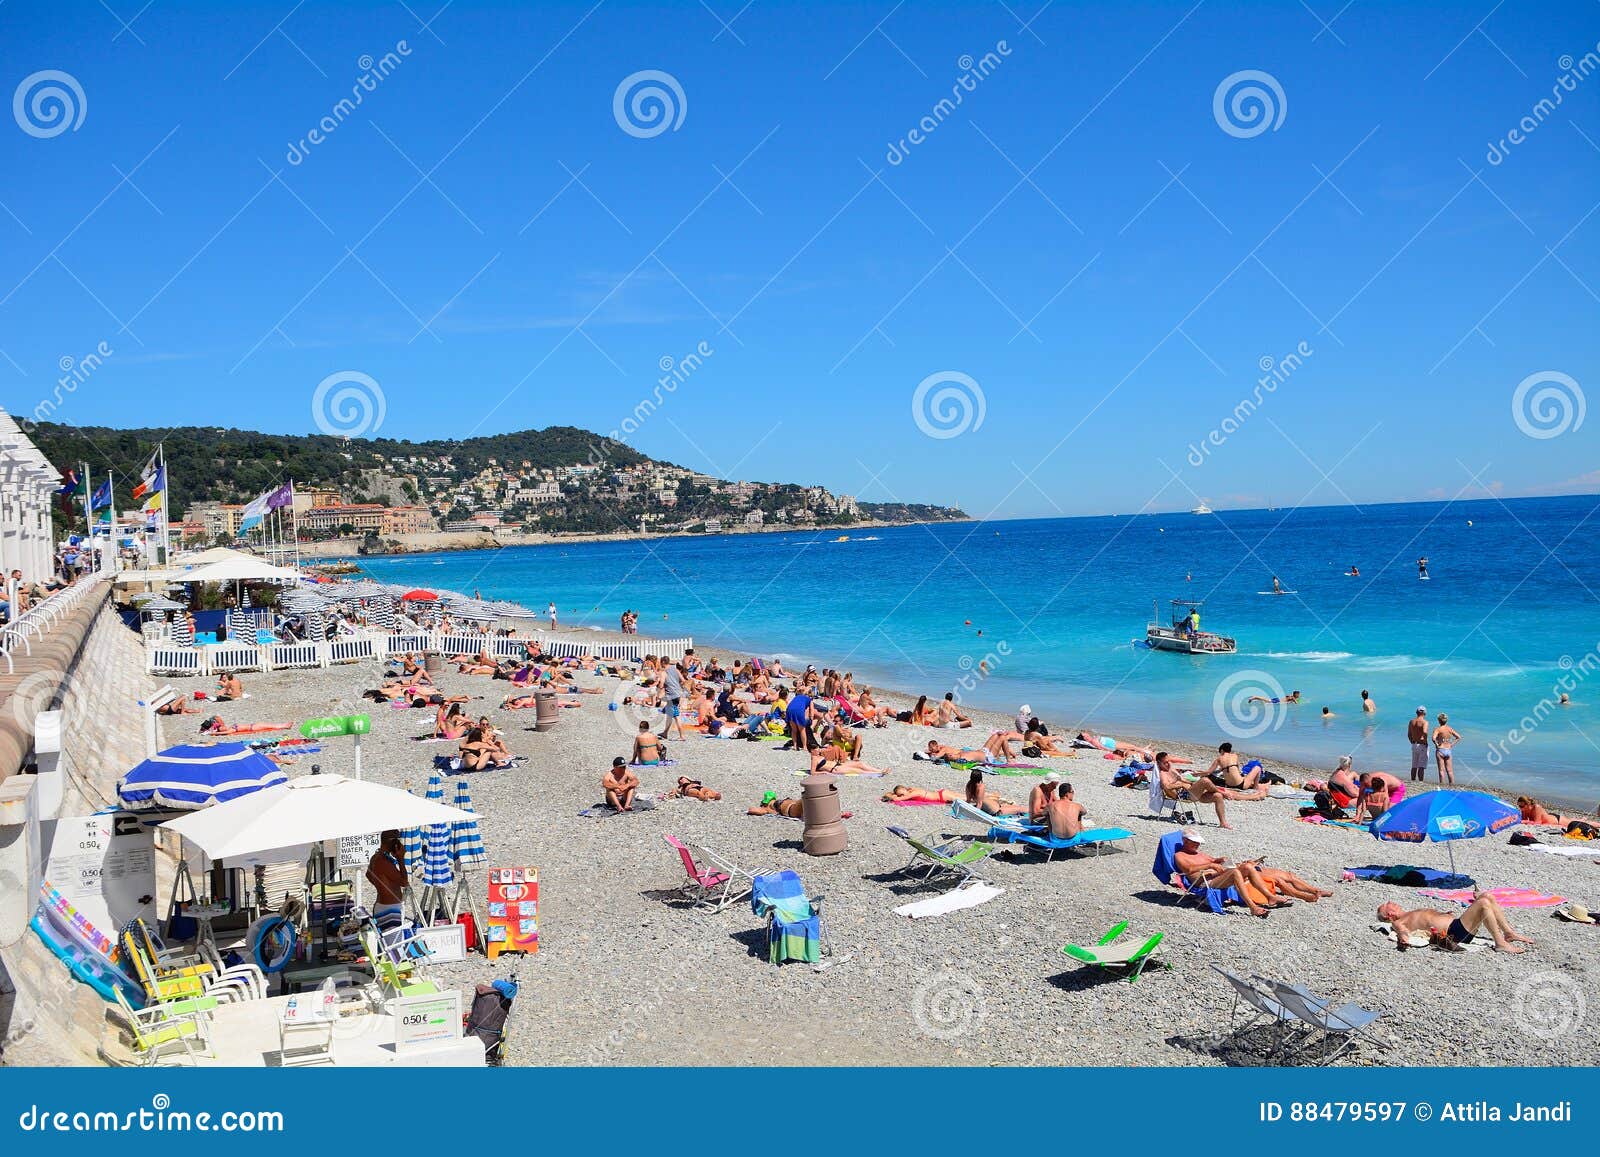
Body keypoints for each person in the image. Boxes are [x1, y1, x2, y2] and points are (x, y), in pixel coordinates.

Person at [1172, 831, 1282, 918]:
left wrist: (1219, 860)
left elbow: (1213, 860)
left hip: (1216, 876)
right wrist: (1209, 866)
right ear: (1185, 841)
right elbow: (1189, 869)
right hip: (1204, 882)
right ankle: (1253, 907)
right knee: (1234, 872)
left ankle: (1271, 897)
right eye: (1195, 842)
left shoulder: (1198, 853)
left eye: (1198, 842)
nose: (1198, 844)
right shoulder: (1179, 855)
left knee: (1247, 866)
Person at [1377, 894, 1533, 953]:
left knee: (1487, 896)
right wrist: (1403, 940)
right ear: (1389, 915)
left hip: (1456, 925)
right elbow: (1401, 931)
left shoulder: (1411, 912)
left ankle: (1508, 933)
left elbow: (1430, 917)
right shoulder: (1399, 922)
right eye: (1389, 905)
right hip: (1453, 933)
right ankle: (1500, 943)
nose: (1393, 902)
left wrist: (1445, 914)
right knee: (1484, 903)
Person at [1157, 751, 1232, 828]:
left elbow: (1182, 779)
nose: (1168, 763)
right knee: (1205, 780)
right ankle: (1224, 793)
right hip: (1184, 795)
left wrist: (1192, 783)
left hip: (1192, 792)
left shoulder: (1170, 769)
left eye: (1169, 761)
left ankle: (1223, 823)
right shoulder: (1163, 774)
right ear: (1159, 763)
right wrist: (1179, 783)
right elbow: (1166, 786)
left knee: (1217, 796)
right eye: (1165, 762)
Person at [365, 831, 408, 930]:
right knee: (394, 944)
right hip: (390, 909)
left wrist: (381, 886)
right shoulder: (383, 862)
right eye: (398, 840)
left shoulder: (376, 857)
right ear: (392, 842)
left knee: (385, 942)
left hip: (383, 905)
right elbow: (404, 882)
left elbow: (368, 875)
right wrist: (401, 859)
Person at [1433, 713, 1460, 785]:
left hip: (1440, 749)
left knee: (1441, 770)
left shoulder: (1438, 729)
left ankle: (1442, 785)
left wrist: (1436, 745)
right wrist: (1451, 744)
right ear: (1446, 720)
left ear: (1439, 721)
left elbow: (1433, 738)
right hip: (1448, 750)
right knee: (1450, 771)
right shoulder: (1449, 729)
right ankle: (1452, 785)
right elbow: (1458, 737)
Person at [1407, 706, 1430, 782]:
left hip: (1414, 744)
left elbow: (1409, 734)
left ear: (1417, 712)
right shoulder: (1425, 722)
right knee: (1421, 766)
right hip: (1422, 744)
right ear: (1424, 713)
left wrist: (1412, 742)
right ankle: (1420, 782)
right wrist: (1425, 741)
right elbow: (1425, 732)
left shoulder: (1411, 722)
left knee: (1414, 765)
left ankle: (1413, 781)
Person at [881, 784, 957, 803]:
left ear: (905, 789)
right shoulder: (912, 790)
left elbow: (897, 799)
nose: (903, 795)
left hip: (942, 796)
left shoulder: (912, 794)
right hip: (942, 793)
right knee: (967, 798)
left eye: (902, 793)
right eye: (900, 795)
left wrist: (892, 796)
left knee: (967, 800)